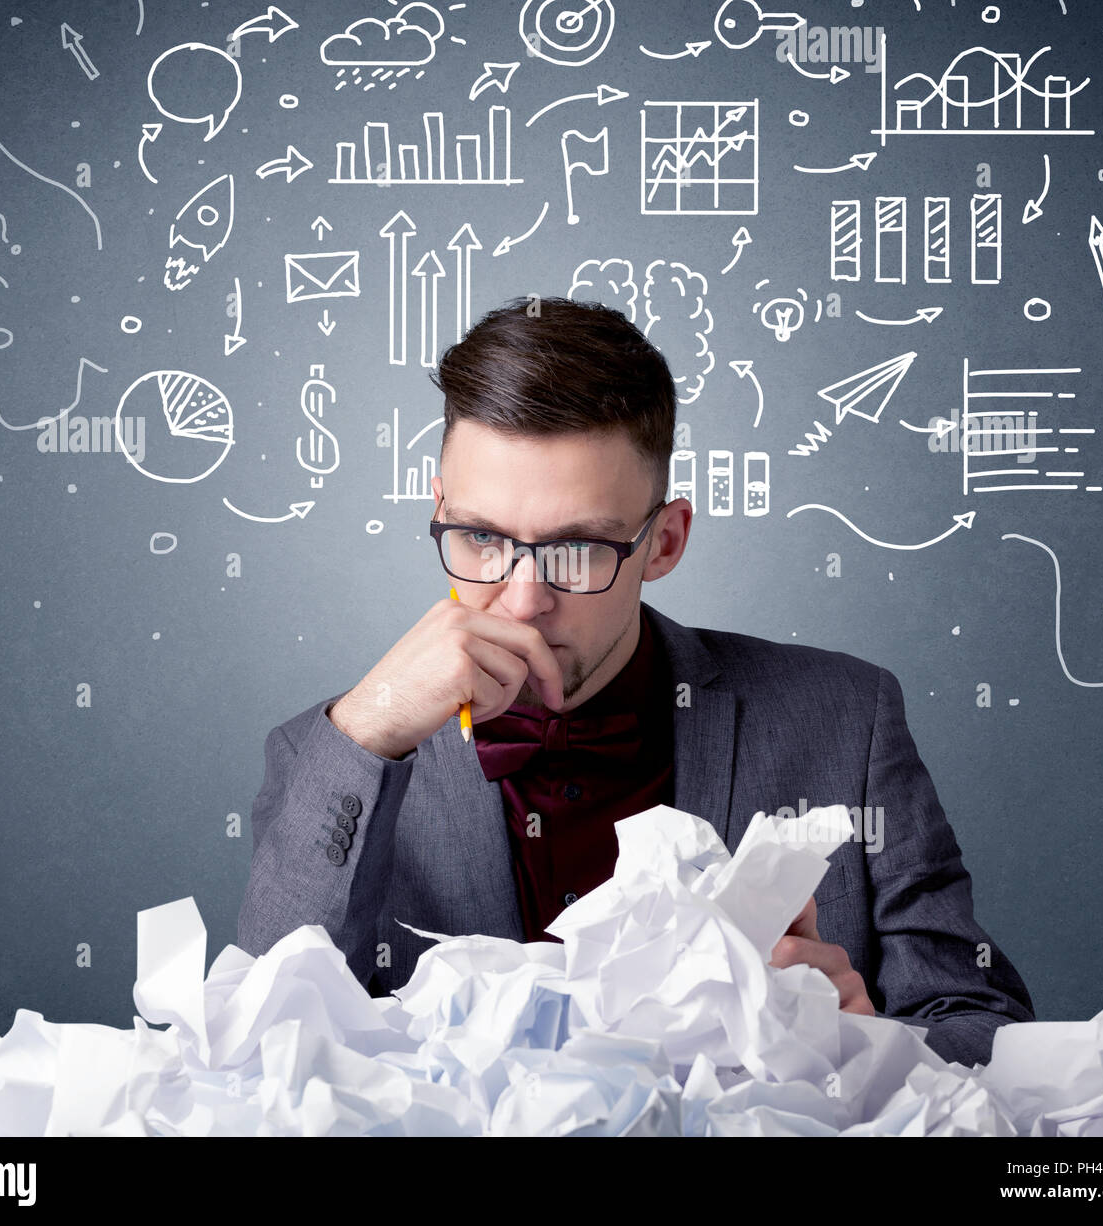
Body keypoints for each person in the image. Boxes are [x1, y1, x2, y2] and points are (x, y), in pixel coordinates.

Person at [237, 296, 1035, 1068]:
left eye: (578, 548)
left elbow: (984, 1030)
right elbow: (256, 1051)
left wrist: (860, 1048)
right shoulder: (330, 753)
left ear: (665, 542)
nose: (521, 599)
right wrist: (369, 732)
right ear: (437, 509)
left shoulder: (847, 720)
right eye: (480, 536)